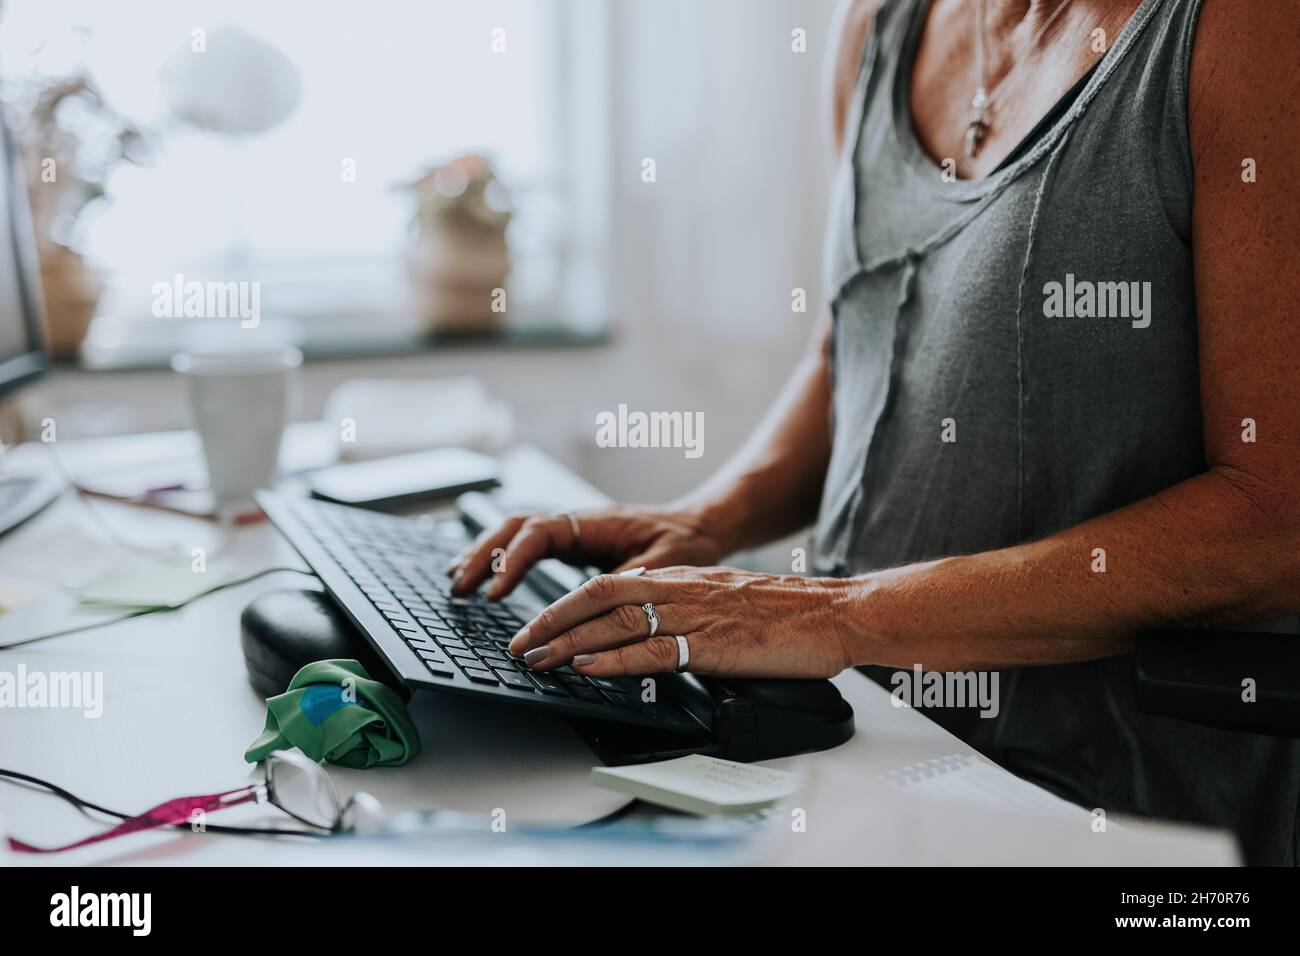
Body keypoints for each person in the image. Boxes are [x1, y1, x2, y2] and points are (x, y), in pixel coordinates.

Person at [451, 0, 1299, 864]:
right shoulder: (881, 23)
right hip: (859, 729)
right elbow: (848, 348)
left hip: (1106, 806)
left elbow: (1277, 520)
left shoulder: (1248, 32)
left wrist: (842, 612)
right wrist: (712, 520)